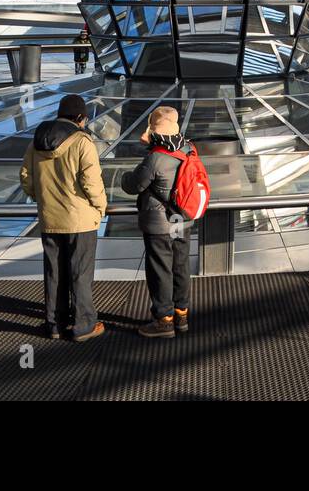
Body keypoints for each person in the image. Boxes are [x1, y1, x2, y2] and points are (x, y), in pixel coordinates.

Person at [19, 94, 107, 342]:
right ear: (81, 118)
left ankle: (55, 324)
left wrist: (40, 197)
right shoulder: (82, 142)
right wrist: (101, 207)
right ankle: (83, 326)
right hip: (80, 219)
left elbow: (26, 176)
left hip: (50, 218)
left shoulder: (36, 141)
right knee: (80, 272)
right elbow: (91, 182)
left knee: (54, 272)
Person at [121, 106, 195, 338]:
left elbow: (133, 185)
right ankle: (181, 313)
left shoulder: (155, 158)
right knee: (180, 265)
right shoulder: (189, 148)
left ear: (154, 131)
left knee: (161, 269)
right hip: (181, 219)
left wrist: (126, 174)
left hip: (160, 223)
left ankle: (164, 320)